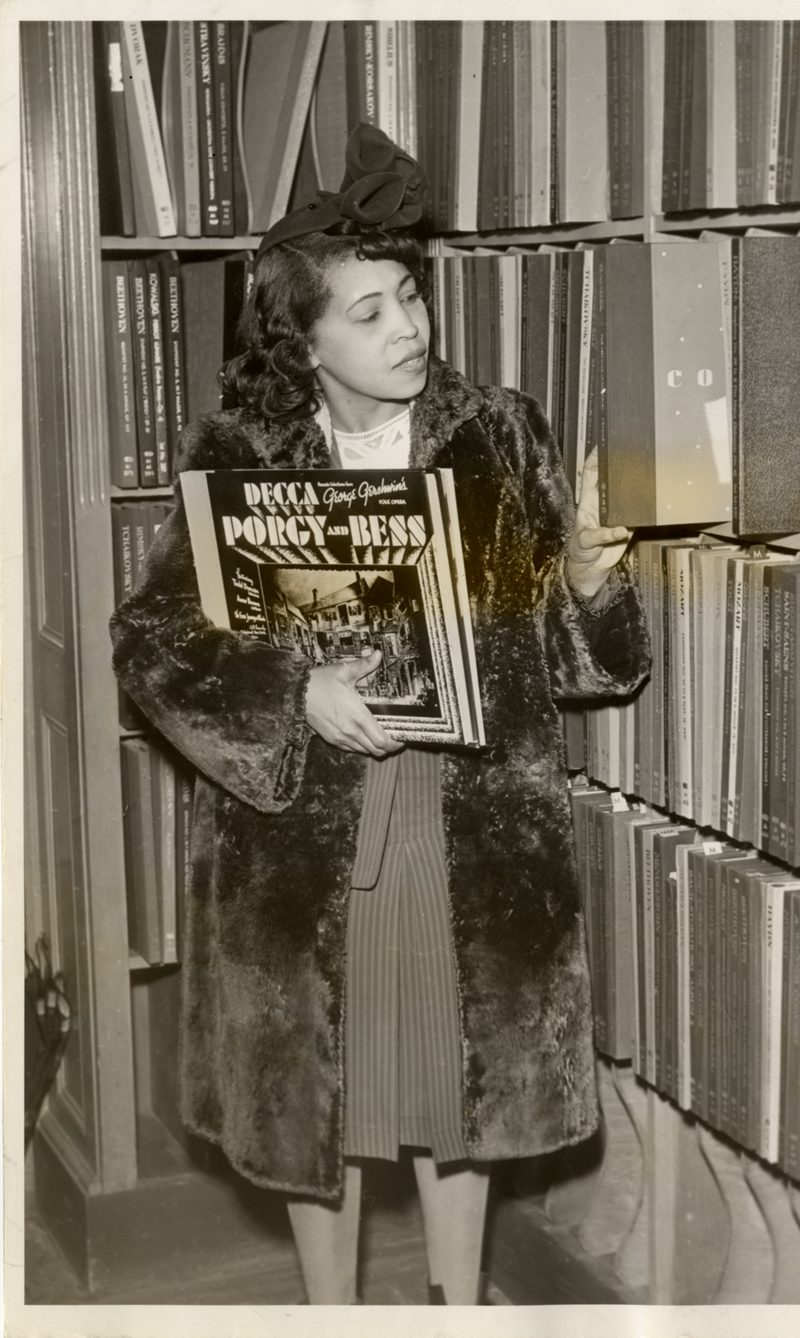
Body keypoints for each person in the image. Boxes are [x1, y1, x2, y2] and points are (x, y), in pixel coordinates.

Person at [110, 124, 650, 1306]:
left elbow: (578, 664)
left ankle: (454, 1306)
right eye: (369, 312)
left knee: (457, 1085)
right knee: (324, 1096)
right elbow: (151, 640)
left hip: (469, 818)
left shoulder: (499, 433)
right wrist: (292, 692)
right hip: (305, 828)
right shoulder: (242, 454)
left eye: (410, 295)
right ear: (304, 344)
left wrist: (588, 585)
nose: (408, 326)